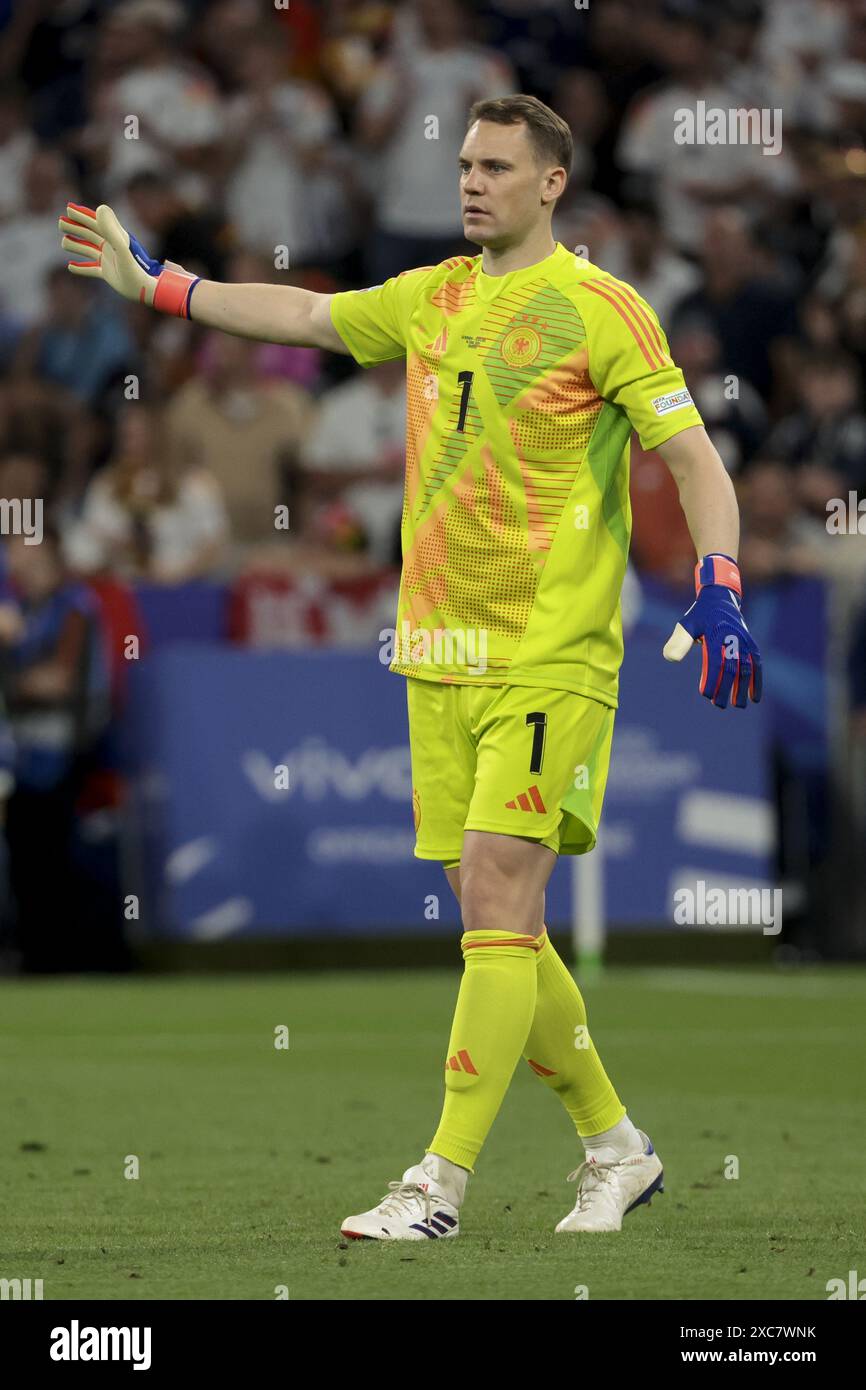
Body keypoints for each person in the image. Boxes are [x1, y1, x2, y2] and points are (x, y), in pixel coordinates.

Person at [58, 91, 762, 1239]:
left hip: (550, 651)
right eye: (465, 163)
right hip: (435, 654)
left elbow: (692, 460)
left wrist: (717, 581)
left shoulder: (601, 309)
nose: (472, 180)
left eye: (497, 165)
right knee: (502, 927)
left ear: (551, 184)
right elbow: (302, 313)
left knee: (494, 889)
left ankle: (437, 1182)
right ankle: (616, 1147)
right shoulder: (430, 298)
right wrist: (163, 287)